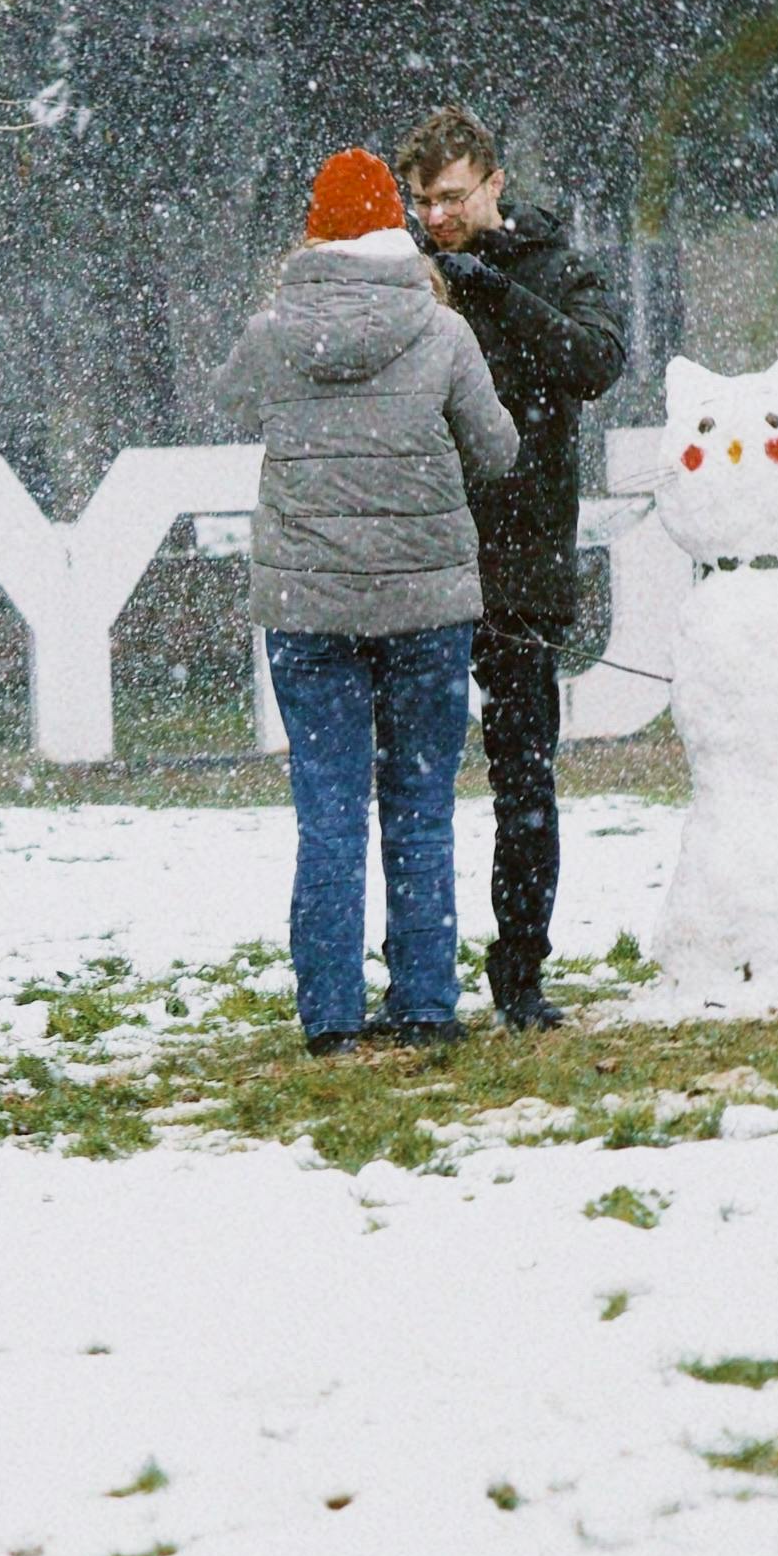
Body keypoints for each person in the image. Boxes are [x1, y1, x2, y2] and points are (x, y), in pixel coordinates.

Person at [215, 147, 519, 1052]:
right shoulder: (441, 330)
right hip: (426, 604)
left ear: (313, 232)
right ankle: (426, 1007)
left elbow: (229, 403)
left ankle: (330, 1022)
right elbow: (497, 450)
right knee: (420, 806)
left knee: (329, 814)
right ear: (396, 227)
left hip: (308, 609)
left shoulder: (274, 331)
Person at [397, 106, 628, 1030]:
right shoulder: (409, 271)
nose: (437, 216)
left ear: (494, 183)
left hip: (522, 564)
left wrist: (490, 290)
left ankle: (519, 972)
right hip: (418, 556)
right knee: (409, 779)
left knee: (523, 782)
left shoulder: (558, 266)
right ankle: (414, 975)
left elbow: (595, 360)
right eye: (424, 202)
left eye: (452, 198)